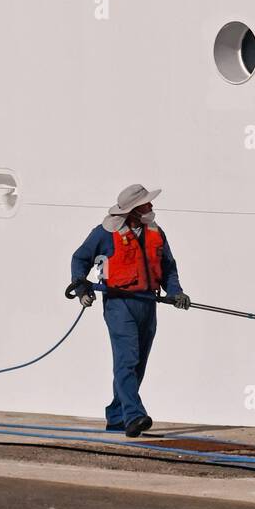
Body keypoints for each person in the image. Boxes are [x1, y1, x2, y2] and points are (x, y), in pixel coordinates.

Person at [69, 183, 189, 437]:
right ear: (134, 210)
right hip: (119, 304)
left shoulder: (156, 232)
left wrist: (176, 292)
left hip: (148, 303)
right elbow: (80, 258)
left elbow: (168, 267)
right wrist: (82, 288)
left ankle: (116, 417)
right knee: (127, 360)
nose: (151, 206)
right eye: (146, 204)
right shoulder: (103, 233)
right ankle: (134, 416)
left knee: (138, 364)